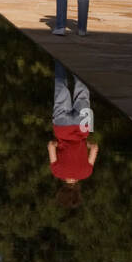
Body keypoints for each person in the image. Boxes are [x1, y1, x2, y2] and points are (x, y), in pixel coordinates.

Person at [49, 61, 98, 208]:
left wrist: (85, 144)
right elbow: (51, 145)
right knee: (61, 88)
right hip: (62, 128)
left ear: (77, 191)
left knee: (82, 91)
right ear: (62, 190)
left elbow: (95, 147)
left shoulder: (86, 172)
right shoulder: (56, 171)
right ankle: (59, 57)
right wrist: (58, 144)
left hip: (82, 128)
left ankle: (81, 60)